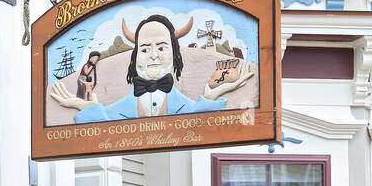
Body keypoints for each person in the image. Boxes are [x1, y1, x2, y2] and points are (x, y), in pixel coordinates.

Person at [49, 13, 252, 122]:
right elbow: (101, 126)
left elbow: (198, 120)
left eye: (162, 47)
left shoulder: (185, 106)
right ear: (135, 57)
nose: (153, 55)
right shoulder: (116, 110)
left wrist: (211, 95)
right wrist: (87, 108)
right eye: (145, 49)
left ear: (175, 53)